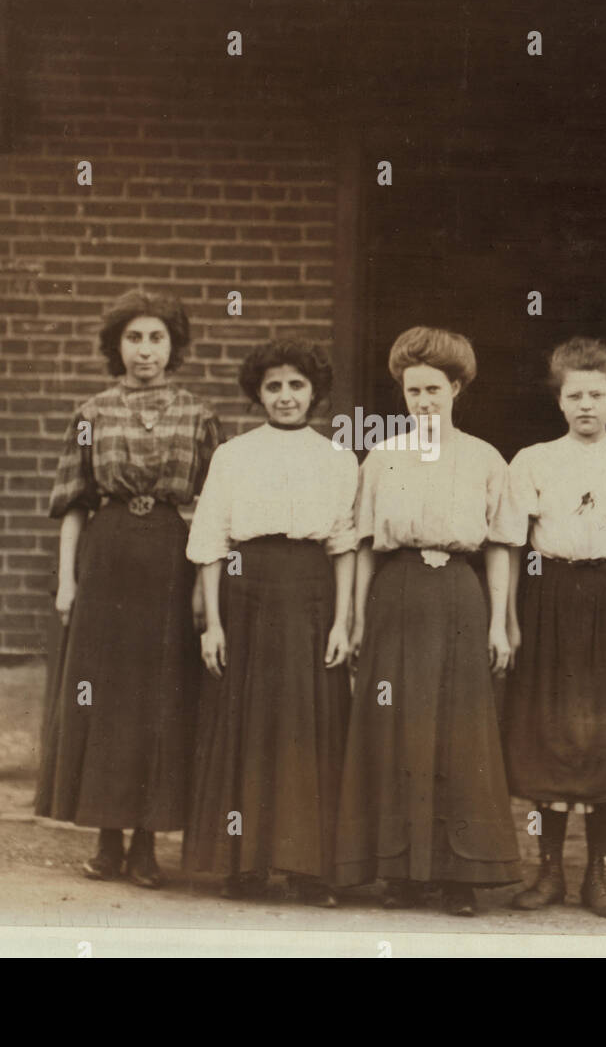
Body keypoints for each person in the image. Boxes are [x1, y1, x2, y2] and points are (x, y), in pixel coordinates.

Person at [334, 326, 523, 917]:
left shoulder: (485, 458)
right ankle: (399, 870)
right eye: (413, 391)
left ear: (458, 388)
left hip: (461, 596)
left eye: (434, 389)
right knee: (394, 725)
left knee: (461, 728)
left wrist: (499, 623)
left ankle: (459, 875)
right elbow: (364, 543)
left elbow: (501, 545)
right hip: (396, 593)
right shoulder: (383, 456)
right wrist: (356, 617)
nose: (423, 401)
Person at [35, 289, 221, 888]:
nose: (146, 351)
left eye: (157, 338)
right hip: (107, 553)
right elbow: (73, 504)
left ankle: (146, 845)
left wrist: (201, 588)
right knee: (103, 696)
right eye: (134, 338)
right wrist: (67, 582)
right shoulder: (91, 414)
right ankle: (106, 840)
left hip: (171, 555)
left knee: (158, 698)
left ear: (175, 346)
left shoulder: (199, 415)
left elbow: (212, 509)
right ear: (117, 346)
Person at [184, 340, 357, 907]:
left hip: (312, 594)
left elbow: (344, 546)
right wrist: (213, 622)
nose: (285, 396)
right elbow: (210, 539)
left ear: (314, 392)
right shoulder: (232, 456)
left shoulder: (337, 458)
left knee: (311, 726)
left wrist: (344, 619)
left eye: (296, 385)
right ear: (258, 393)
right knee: (248, 724)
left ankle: (311, 868)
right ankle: (245, 862)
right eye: (274, 386)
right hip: (247, 590)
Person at [502, 337, 606, 918]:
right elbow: (510, 543)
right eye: (574, 395)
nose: (585, 406)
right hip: (548, 599)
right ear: (560, 402)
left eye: (597, 394)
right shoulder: (533, 461)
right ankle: (548, 873)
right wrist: (511, 619)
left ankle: (598, 877)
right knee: (550, 731)